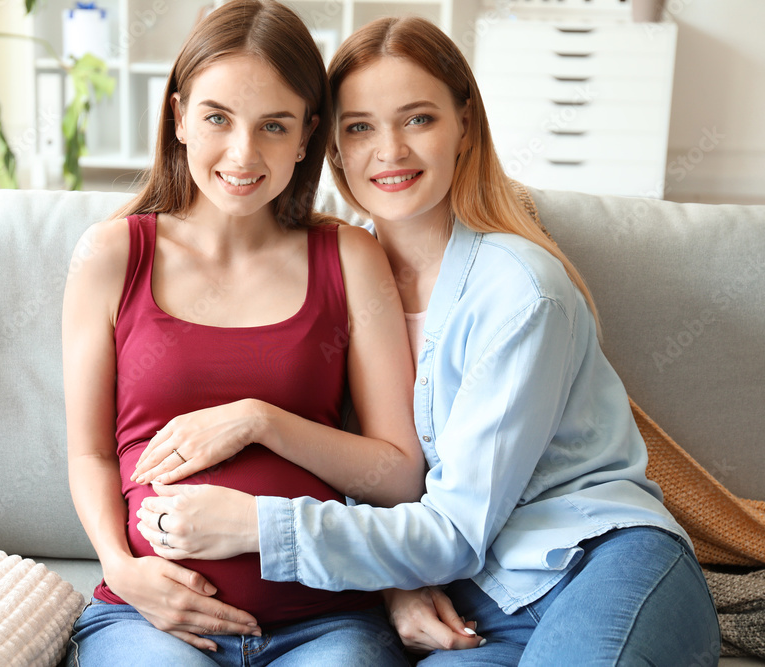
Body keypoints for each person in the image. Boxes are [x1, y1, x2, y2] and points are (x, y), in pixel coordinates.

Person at [133, 15, 721, 665]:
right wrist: (394, 585)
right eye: (359, 127)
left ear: (464, 125)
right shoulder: (340, 285)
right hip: (478, 606)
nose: (390, 151)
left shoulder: (520, 292)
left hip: (598, 564)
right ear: (330, 149)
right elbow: (370, 474)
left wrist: (252, 524)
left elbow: (453, 529)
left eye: (418, 119)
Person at [61, 2, 437, 665]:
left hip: (326, 620)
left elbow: (400, 475)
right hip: (152, 619)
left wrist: (260, 420)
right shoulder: (112, 255)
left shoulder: (349, 256)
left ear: (306, 136)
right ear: (178, 117)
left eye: (273, 126)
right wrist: (120, 567)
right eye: (216, 118)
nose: (243, 153)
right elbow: (90, 452)